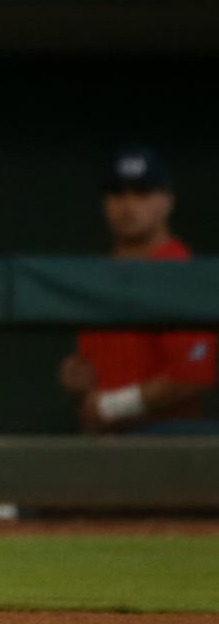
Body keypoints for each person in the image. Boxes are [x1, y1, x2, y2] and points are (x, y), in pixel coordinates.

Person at [61, 148, 217, 434]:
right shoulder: (100, 276)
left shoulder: (179, 272)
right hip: (107, 446)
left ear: (167, 201)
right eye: (118, 194)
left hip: (168, 446)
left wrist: (111, 406)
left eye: (142, 193)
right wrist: (78, 377)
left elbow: (192, 374)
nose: (128, 204)